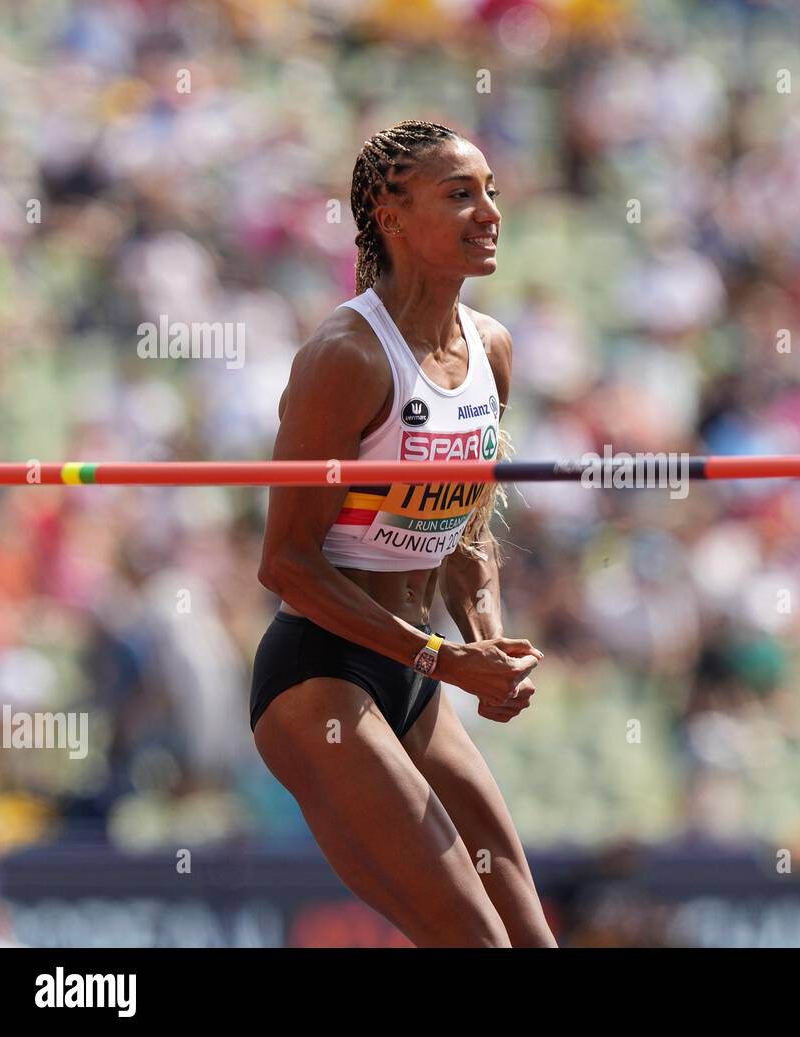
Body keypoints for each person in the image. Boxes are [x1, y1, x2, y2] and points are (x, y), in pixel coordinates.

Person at [251, 120, 556, 948]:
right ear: (390, 214)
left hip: (417, 671)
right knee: (472, 939)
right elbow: (284, 562)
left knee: (531, 939)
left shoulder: (490, 348)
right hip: (321, 674)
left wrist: (486, 643)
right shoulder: (346, 355)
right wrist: (443, 658)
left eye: (492, 191)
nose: (489, 211)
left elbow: (465, 530)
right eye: (461, 194)